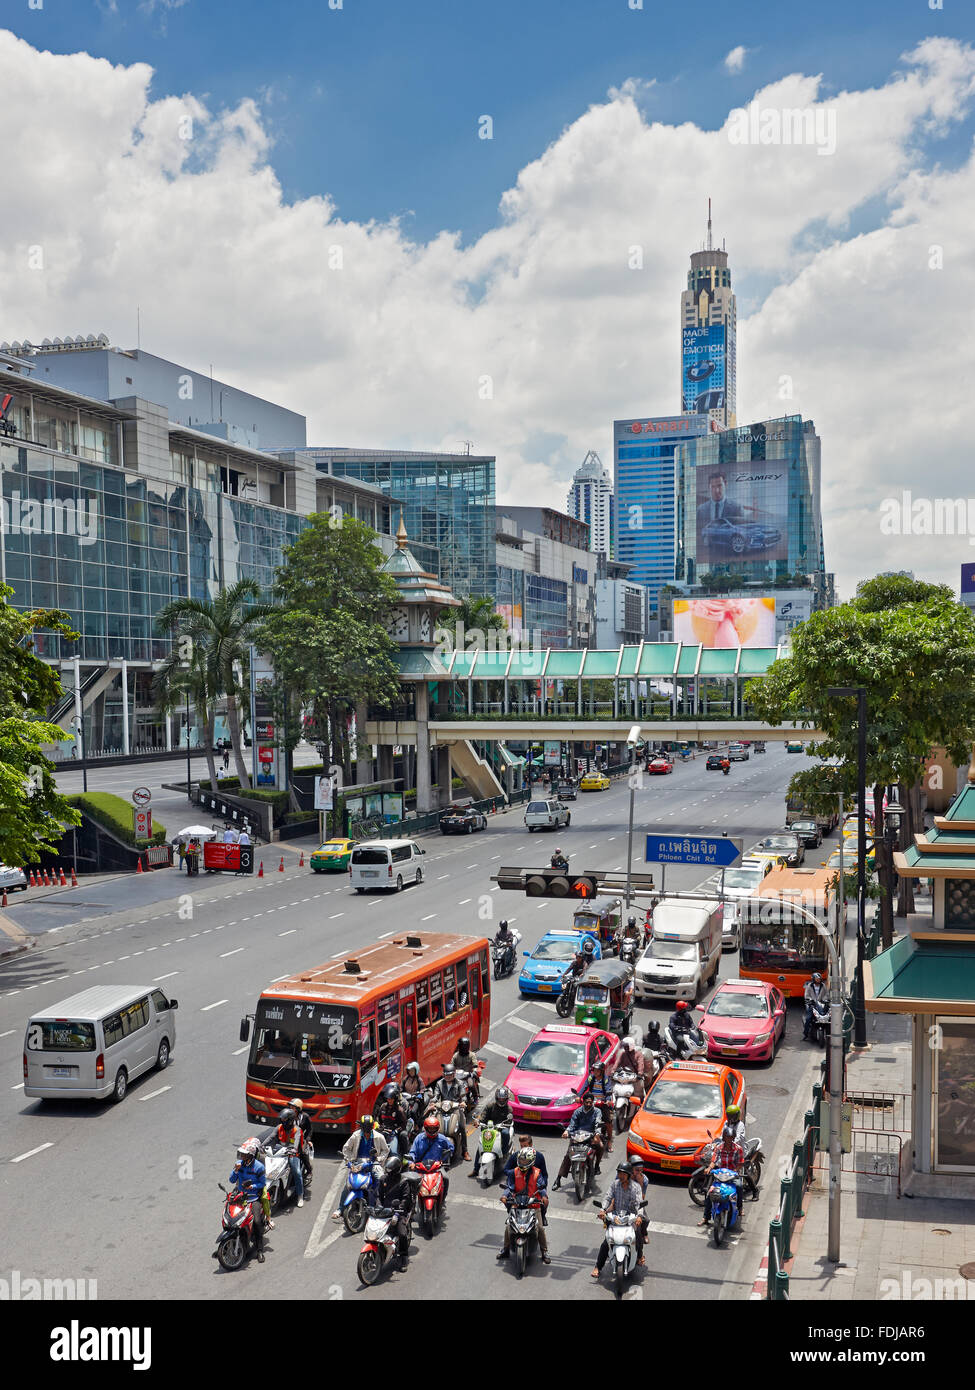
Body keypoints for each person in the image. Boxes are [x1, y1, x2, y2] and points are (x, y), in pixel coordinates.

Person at [592, 1161, 645, 1278]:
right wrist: (602, 1210)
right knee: (606, 1242)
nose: (620, 1176)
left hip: (630, 1218)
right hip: (616, 1218)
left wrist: (639, 1217)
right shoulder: (615, 1184)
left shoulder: (636, 1188)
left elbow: (639, 1204)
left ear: (629, 1175)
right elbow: (607, 1197)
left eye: (623, 1174)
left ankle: (640, 1256)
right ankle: (598, 1266)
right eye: (619, 1173)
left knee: (638, 1236)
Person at [498, 1147, 551, 1264]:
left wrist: (543, 1196)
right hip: (517, 1203)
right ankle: (506, 1249)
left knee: (540, 1228)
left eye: (525, 1161)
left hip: (533, 1204)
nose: (522, 1163)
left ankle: (544, 1251)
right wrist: (505, 1196)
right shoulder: (514, 1172)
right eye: (521, 1160)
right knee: (508, 1227)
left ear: (531, 1161)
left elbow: (541, 1186)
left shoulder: (537, 1172)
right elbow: (509, 1186)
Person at [333, 1116, 389, 1218]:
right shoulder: (356, 1135)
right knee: (348, 1185)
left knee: (380, 1178)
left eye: (368, 1128)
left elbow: (386, 1150)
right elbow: (346, 1149)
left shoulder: (379, 1137)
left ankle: (379, 1204)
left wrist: (379, 1159)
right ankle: (340, 1208)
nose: (367, 1133)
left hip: (374, 1163)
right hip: (358, 1163)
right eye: (365, 1129)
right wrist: (350, 1160)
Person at [554, 1092, 604, 1188]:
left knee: (600, 1146)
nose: (588, 1104)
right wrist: (567, 1132)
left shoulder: (597, 1111)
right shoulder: (577, 1111)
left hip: (591, 1135)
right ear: (583, 1102)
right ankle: (558, 1179)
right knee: (569, 1155)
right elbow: (572, 1124)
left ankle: (597, 1166)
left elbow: (598, 1122)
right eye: (586, 1102)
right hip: (577, 1136)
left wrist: (597, 1133)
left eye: (590, 1102)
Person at [229, 1138, 269, 1261]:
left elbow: (263, 1184)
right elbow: (231, 1180)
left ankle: (260, 1250)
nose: (241, 1156)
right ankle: (227, 1243)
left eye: (243, 1154)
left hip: (253, 1198)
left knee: (257, 1222)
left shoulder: (259, 1167)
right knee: (230, 1218)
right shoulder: (239, 1164)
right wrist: (235, 1170)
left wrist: (252, 1186)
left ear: (250, 1156)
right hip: (240, 1196)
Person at [698, 1127, 745, 1227]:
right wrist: (709, 1169)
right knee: (710, 1194)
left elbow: (740, 1163)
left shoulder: (738, 1149)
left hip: (732, 1175)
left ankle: (740, 1208)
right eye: (727, 1137)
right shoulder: (719, 1148)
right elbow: (713, 1160)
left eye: (730, 1137)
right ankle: (705, 1217)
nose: (729, 1139)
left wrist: (736, 1171)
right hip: (720, 1175)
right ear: (724, 1137)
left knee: (740, 1186)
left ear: (733, 1138)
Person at [377, 1155, 416, 1266]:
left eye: (390, 1170)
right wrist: (378, 1207)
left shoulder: (404, 1182)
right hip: (384, 1212)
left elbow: (405, 1199)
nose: (388, 1173)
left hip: (399, 1212)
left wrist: (398, 1213)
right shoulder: (383, 1179)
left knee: (402, 1233)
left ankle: (403, 1256)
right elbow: (378, 1195)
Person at [407, 1113, 455, 1201]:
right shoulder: (419, 1138)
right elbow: (412, 1152)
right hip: (420, 1168)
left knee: (445, 1179)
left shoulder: (442, 1138)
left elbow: (451, 1148)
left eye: (434, 1128)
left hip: (436, 1168)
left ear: (437, 1128)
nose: (432, 1130)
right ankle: (412, 1203)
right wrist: (411, 1163)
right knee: (409, 1182)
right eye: (430, 1128)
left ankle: (442, 1198)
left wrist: (443, 1160)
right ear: (425, 1128)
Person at [429, 1064, 470, 1160]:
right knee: (431, 1125)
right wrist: (432, 1102)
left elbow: (463, 1095)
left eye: (450, 1075)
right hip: (442, 1108)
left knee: (462, 1127)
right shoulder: (439, 1083)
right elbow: (436, 1096)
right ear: (443, 1075)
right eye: (446, 1075)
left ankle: (465, 1151)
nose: (448, 1077)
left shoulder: (459, 1083)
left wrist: (463, 1102)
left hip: (455, 1108)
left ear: (454, 1074)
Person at [471, 1085, 513, 1177]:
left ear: (506, 1099)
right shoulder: (490, 1106)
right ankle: (475, 1169)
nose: (501, 1100)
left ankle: (504, 1152)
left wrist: (504, 1124)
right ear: (496, 1098)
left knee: (506, 1133)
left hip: (502, 1127)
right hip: (489, 1128)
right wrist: (478, 1121)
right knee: (480, 1146)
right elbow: (483, 1116)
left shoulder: (509, 1109)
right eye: (500, 1099)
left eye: (503, 1099)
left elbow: (509, 1120)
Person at [275, 1106, 305, 1208]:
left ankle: (300, 1195)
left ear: (290, 1120)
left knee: (297, 1172)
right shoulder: (279, 1127)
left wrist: (294, 1150)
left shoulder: (297, 1130)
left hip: (293, 1154)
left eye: (284, 1119)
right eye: (282, 1119)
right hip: (281, 1152)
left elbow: (296, 1143)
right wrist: (262, 1145)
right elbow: (271, 1137)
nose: (282, 1120)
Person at [582, 1059, 614, 1152]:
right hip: (592, 1102)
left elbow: (608, 1089)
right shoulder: (591, 1078)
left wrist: (607, 1101)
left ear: (601, 1071)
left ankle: (609, 1141)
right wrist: (578, 1096)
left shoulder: (606, 1079)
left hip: (603, 1103)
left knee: (608, 1122)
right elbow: (584, 1087)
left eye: (597, 1070)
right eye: (594, 1070)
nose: (595, 1072)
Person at [612, 1035, 647, 1122]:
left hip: (635, 1077)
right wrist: (612, 1072)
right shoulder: (623, 1054)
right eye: (624, 1046)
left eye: (627, 1046)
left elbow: (641, 1065)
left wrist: (639, 1074)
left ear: (631, 1046)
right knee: (613, 1089)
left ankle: (641, 1107)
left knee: (639, 1092)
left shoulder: (638, 1054)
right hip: (624, 1076)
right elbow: (617, 1063)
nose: (625, 1048)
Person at [375, 1082, 409, 1157]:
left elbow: (403, 1124)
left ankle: (405, 1155)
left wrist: (396, 1131)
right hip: (384, 1130)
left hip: (394, 1132)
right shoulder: (383, 1107)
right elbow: (379, 1119)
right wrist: (380, 1126)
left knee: (394, 1152)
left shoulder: (399, 1110)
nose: (389, 1100)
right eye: (388, 1099)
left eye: (391, 1099)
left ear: (395, 1099)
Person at [288, 1098, 314, 1188]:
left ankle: (309, 1171)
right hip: (289, 1138)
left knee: (302, 1152)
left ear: (298, 1109)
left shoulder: (305, 1117)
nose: (291, 1108)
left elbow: (310, 1129)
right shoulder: (287, 1115)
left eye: (293, 1107)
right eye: (290, 1106)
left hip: (301, 1139)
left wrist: (307, 1139)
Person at [451, 1036, 480, 1102]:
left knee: (471, 1084)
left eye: (464, 1046)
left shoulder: (472, 1055)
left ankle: (476, 1097)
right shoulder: (456, 1055)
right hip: (458, 1075)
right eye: (462, 1046)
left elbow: (475, 1064)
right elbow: (452, 1064)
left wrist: (474, 1072)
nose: (463, 1048)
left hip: (468, 1075)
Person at [803, 972, 829, 1040]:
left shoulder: (823, 985)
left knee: (828, 1017)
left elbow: (826, 994)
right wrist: (810, 1000)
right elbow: (806, 995)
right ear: (813, 979)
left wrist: (824, 1000)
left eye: (819, 979)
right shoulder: (809, 986)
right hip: (811, 1004)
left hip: (821, 1004)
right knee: (808, 1018)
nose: (818, 980)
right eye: (817, 979)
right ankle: (805, 1033)